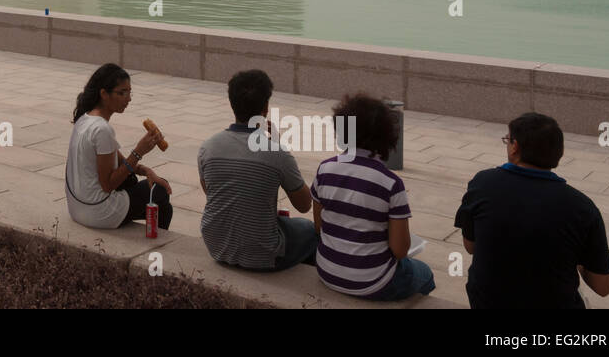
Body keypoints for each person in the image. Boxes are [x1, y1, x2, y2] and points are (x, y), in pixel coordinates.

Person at [454, 112, 609, 309]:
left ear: (515, 147)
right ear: (559, 153)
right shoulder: (582, 207)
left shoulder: (482, 184)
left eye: (507, 140)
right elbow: (603, 287)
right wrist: (577, 259)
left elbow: (471, 246)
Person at [310, 93, 434, 300]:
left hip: (326, 271)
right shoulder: (391, 183)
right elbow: (400, 250)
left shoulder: (325, 169)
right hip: (373, 282)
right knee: (425, 274)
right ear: (386, 135)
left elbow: (319, 226)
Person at [197, 69, 316, 271]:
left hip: (215, 246)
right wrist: (279, 148)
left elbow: (213, 192)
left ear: (232, 103)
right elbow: (305, 205)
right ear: (266, 107)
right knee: (309, 230)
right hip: (263, 254)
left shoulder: (207, 148)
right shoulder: (277, 154)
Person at [65, 63, 173, 230]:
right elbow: (108, 185)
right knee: (159, 191)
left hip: (77, 208)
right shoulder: (102, 129)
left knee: (154, 196)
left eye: (129, 92)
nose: (128, 99)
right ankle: (157, 244)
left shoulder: (85, 119)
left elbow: (121, 162)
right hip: (98, 211)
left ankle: (155, 236)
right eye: (122, 93)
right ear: (104, 94)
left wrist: (147, 172)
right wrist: (139, 151)